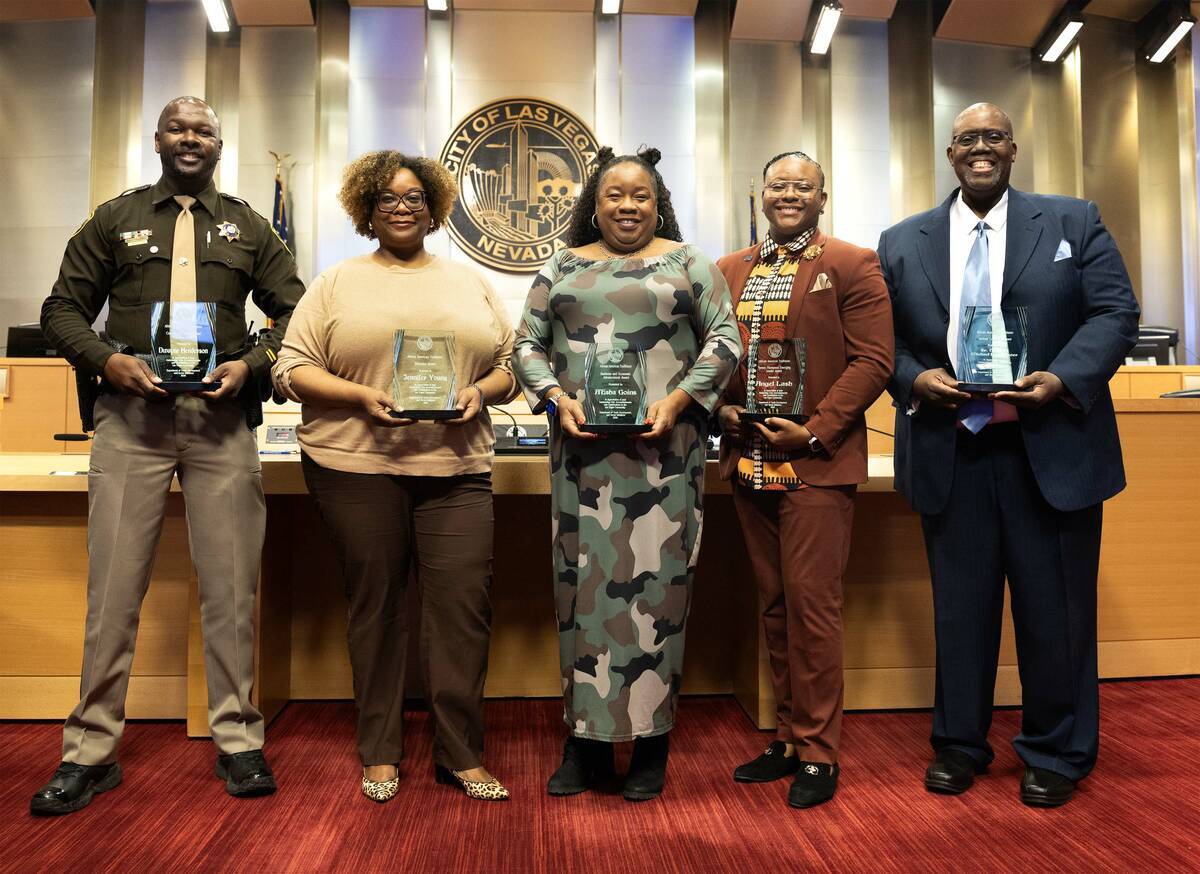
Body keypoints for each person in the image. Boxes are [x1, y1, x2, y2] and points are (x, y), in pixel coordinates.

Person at [32, 96, 303, 815]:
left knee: (231, 589)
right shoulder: (114, 219)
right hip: (132, 423)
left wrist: (252, 362)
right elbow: (59, 308)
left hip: (220, 427)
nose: (191, 139)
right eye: (179, 128)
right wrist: (102, 359)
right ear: (158, 139)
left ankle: (239, 741)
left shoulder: (247, 224)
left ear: (219, 143)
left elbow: (293, 312)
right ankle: (90, 751)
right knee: (113, 593)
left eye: (204, 130)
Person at [877, 102, 1139, 808]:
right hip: (952, 447)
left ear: (1014, 149)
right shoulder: (902, 240)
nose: (980, 148)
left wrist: (1062, 380)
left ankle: (1056, 750)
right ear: (951, 152)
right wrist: (914, 379)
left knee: (1055, 611)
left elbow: (1115, 312)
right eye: (967, 139)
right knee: (960, 611)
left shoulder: (1072, 221)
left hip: (1048, 445)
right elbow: (884, 344)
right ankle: (959, 744)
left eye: (993, 136)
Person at [271, 151, 518, 803]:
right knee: (375, 607)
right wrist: (357, 396)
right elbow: (291, 368)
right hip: (357, 466)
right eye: (386, 198)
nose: (402, 207)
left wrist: (481, 392)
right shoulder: (334, 283)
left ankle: (460, 754)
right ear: (365, 210)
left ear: (434, 208)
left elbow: (511, 363)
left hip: (455, 468)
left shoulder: (469, 282)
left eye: (414, 197)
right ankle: (380, 750)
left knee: (462, 610)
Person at [513, 146, 741, 802]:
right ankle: (581, 748)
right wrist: (557, 398)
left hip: (664, 464)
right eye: (614, 195)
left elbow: (726, 340)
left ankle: (651, 747)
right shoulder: (561, 264)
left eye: (640, 195)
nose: (628, 206)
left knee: (656, 601)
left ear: (657, 200)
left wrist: (679, 399)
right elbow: (524, 345)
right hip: (580, 465)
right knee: (578, 598)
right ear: (595, 202)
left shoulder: (689, 262)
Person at [714, 152, 893, 808]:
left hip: (815, 463)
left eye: (803, 186)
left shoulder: (850, 263)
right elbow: (714, 360)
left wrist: (815, 430)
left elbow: (875, 360)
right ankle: (788, 736)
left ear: (822, 196)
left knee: (813, 608)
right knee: (774, 605)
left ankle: (820, 750)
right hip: (751, 462)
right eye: (778, 184)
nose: (789, 193)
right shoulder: (730, 269)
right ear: (760, 193)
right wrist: (722, 409)